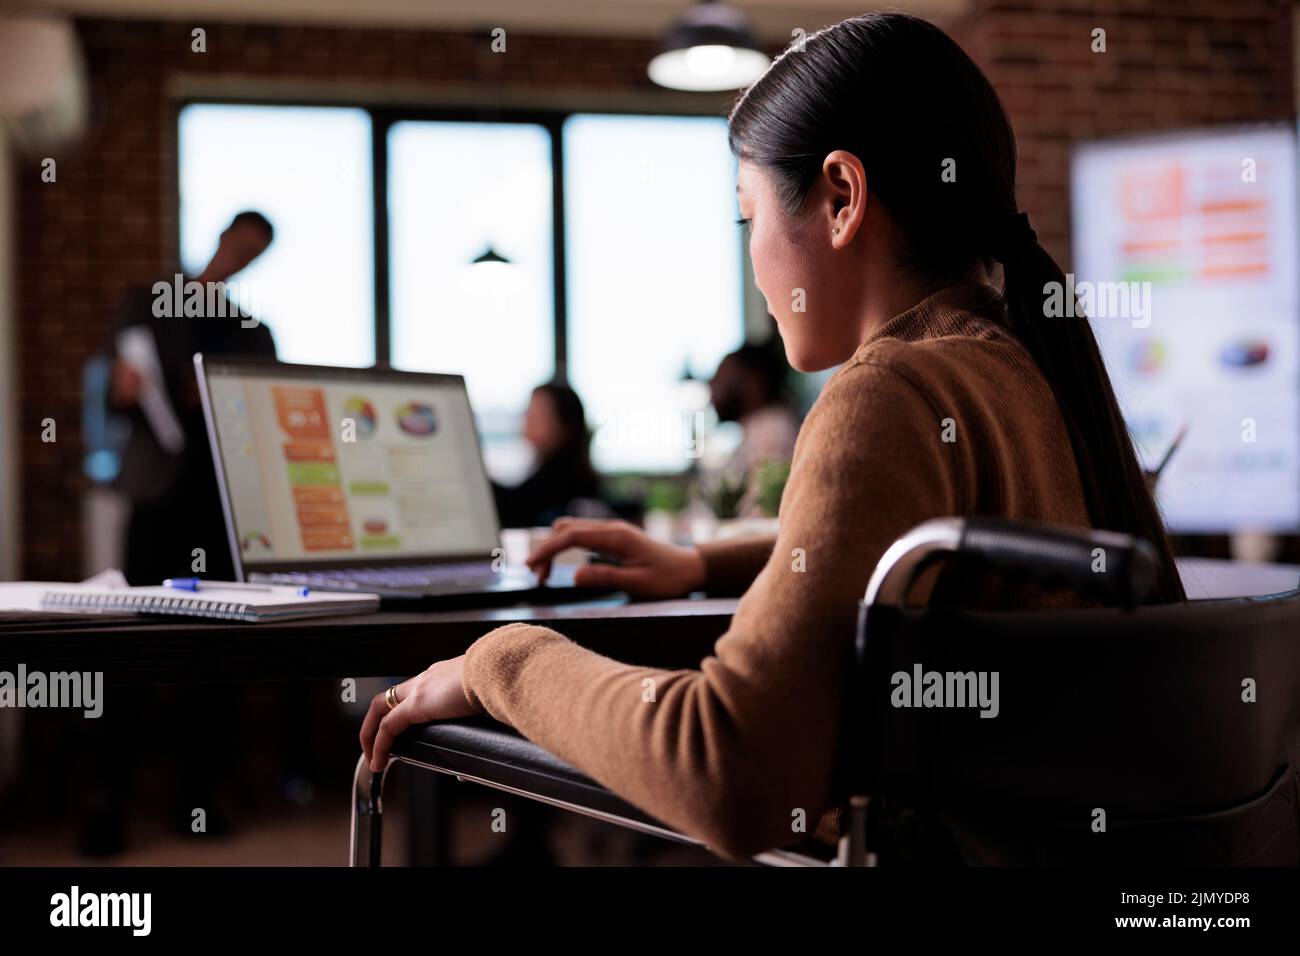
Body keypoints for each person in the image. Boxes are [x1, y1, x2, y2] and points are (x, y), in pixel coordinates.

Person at [358, 12, 1186, 861]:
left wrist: (502, 662)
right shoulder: (1023, 369)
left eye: (746, 217)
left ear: (840, 198)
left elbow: (730, 770)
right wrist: (699, 564)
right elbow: (926, 550)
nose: (754, 262)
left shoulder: (891, 390)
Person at [109, 210, 277, 584]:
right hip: (158, 483)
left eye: (251, 253)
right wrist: (123, 387)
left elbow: (262, 413)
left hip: (218, 491)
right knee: (143, 593)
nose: (240, 258)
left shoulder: (252, 333)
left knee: (220, 593)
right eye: (238, 245)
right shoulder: (150, 304)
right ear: (223, 237)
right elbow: (115, 394)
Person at [493, 382, 602, 528]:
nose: (526, 419)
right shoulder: (553, 475)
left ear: (564, 425)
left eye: (535, 413)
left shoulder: (563, 484)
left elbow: (516, 509)